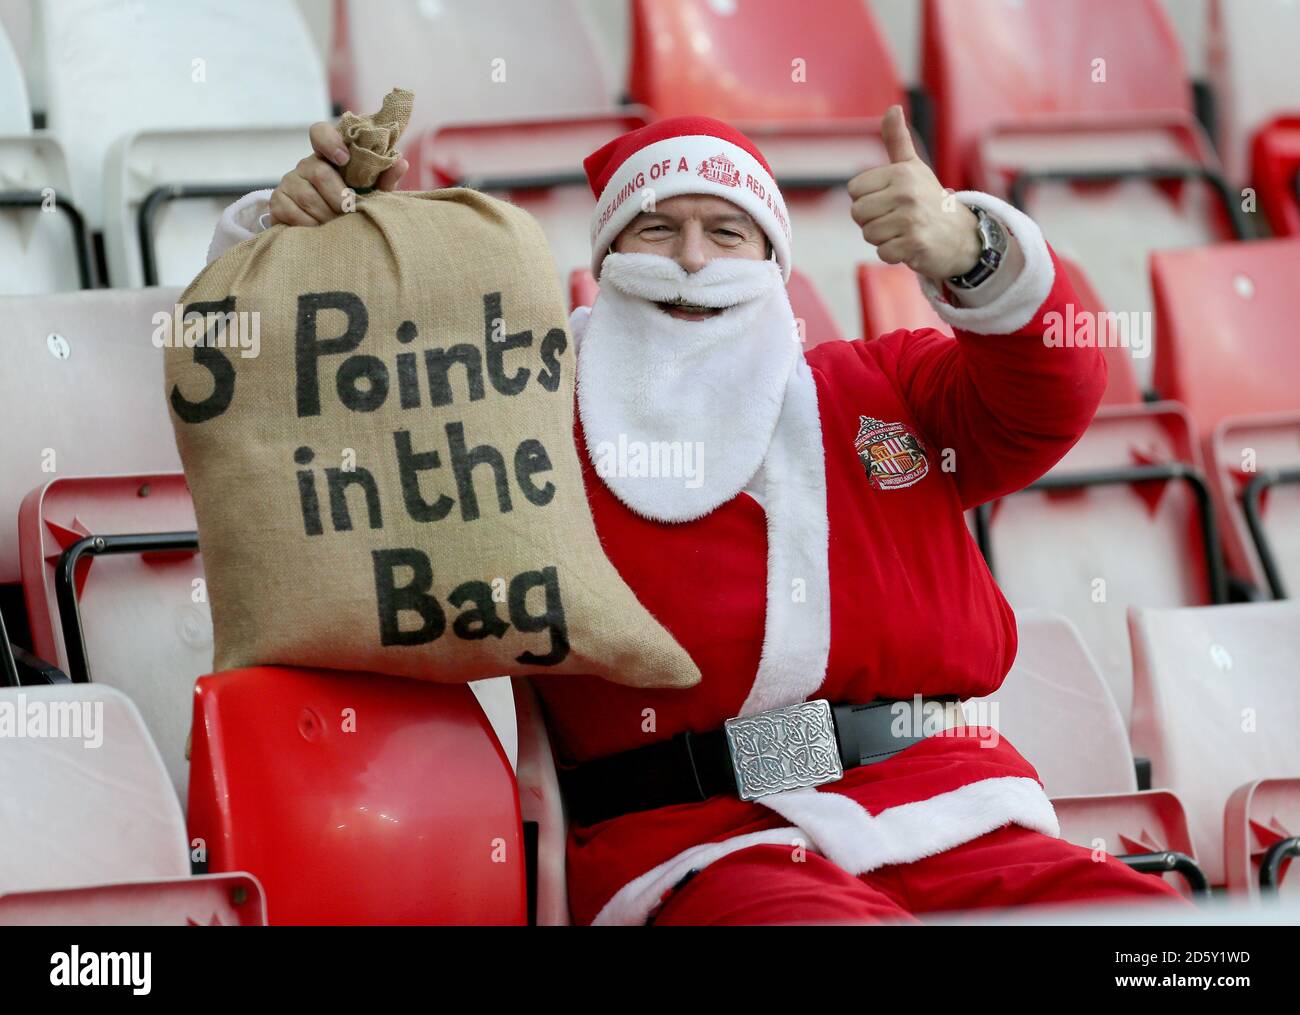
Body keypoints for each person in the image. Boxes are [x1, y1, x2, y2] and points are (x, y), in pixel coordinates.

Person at [206, 107, 1189, 926]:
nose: (689, 261)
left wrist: (969, 253)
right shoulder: (528, 424)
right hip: (701, 847)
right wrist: (294, 239)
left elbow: (1055, 387)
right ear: (604, 254)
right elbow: (329, 408)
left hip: (960, 811)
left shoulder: (881, 386)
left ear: (771, 256)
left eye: (725, 233)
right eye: (654, 229)